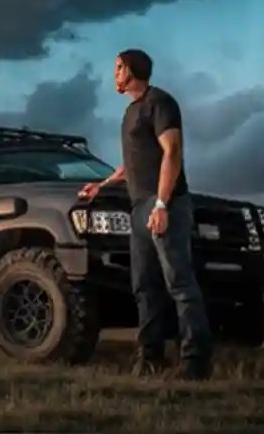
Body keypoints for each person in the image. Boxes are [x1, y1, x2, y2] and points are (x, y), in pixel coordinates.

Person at [78, 48, 214, 380]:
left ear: (133, 70)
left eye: (119, 67)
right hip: (139, 208)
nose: (115, 74)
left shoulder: (160, 102)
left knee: (179, 282)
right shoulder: (130, 113)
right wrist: (103, 184)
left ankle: (196, 362)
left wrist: (162, 204)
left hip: (165, 205)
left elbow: (173, 151)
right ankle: (150, 358)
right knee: (144, 285)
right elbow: (135, 162)